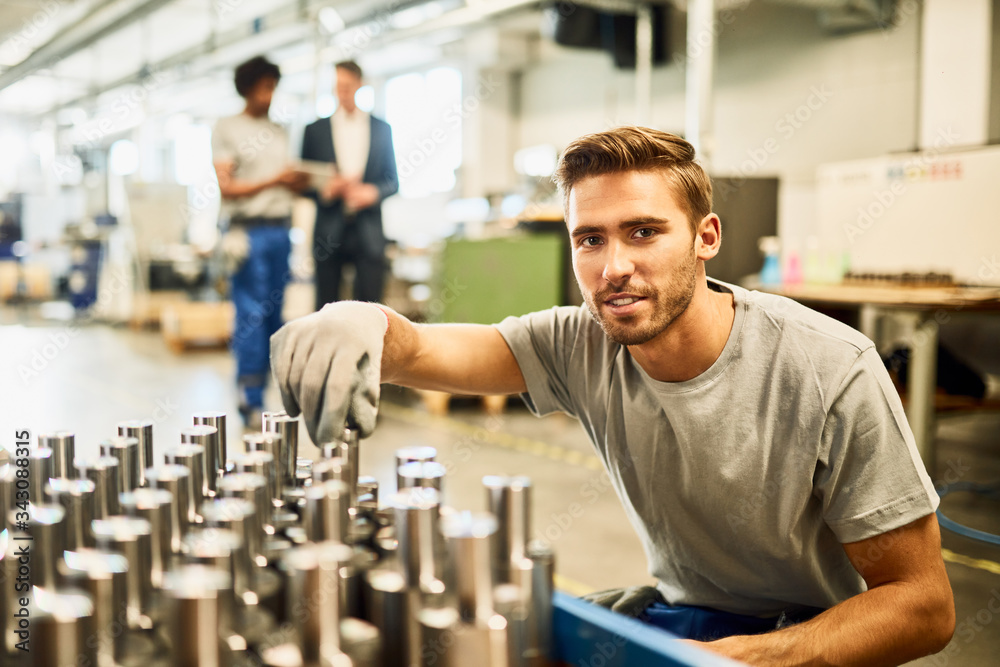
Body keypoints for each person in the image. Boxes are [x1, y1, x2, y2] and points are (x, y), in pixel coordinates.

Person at [270, 127, 955, 663]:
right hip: (679, 611)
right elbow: (422, 349)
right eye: (589, 239)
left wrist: (733, 659)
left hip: (811, 635)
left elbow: (923, 606)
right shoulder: (580, 342)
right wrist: (357, 320)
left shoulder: (829, 369)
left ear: (705, 237)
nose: (614, 267)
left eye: (644, 232)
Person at [212, 55, 308, 427]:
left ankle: (271, 391)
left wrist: (298, 182)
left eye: (274, 88)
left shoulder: (279, 130)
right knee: (250, 315)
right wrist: (275, 180)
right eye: (265, 87)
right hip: (246, 232)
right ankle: (249, 397)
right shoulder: (227, 128)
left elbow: (283, 179)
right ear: (248, 87)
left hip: (280, 230)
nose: (270, 95)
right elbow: (228, 187)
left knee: (274, 315)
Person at [300, 60, 398, 310]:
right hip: (329, 229)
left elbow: (392, 181)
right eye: (338, 86)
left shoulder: (381, 129)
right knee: (326, 308)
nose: (342, 92)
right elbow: (302, 183)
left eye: (347, 86)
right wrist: (326, 189)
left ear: (359, 85)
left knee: (370, 310)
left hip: (368, 231)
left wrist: (372, 192)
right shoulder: (315, 130)